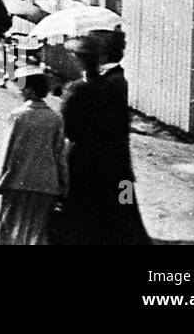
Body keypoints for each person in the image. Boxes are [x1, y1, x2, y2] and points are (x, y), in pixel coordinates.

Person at [57, 36, 151, 245]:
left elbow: (68, 129)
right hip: (116, 161)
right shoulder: (113, 85)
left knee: (81, 207)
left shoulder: (76, 89)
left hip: (82, 160)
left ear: (78, 60)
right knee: (122, 202)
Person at [0, 66, 67, 244]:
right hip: (46, 184)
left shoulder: (18, 116)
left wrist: (1, 179)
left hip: (17, 181)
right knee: (37, 233)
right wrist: (63, 184)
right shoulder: (56, 118)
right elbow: (60, 155)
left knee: (9, 230)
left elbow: (9, 151)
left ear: (30, 90)